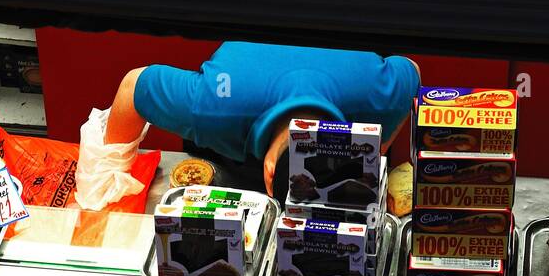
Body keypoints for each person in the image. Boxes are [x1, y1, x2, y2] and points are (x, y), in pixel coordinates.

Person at [77, 41, 419, 207]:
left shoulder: (380, 92)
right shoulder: (214, 104)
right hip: (242, 90)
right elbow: (134, 86)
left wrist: (376, 150)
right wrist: (103, 192)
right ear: (267, 170)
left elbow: (412, 72)